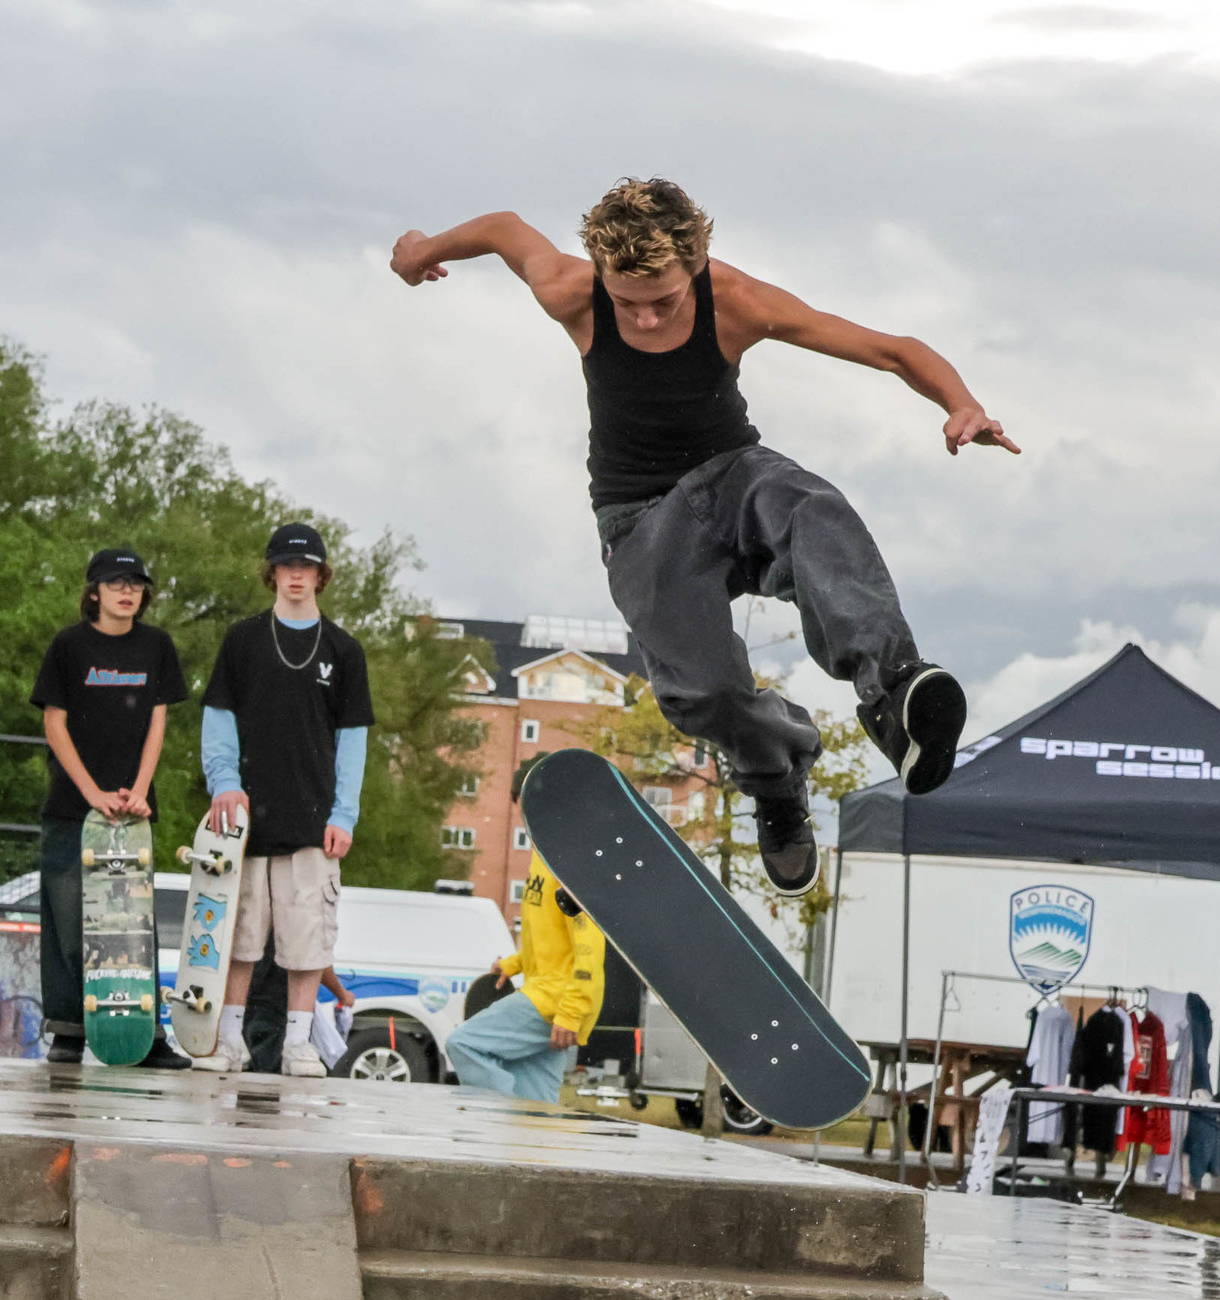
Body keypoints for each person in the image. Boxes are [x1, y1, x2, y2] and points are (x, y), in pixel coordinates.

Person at [390, 178, 1019, 895]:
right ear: (601, 277)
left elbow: (892, 350)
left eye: (665, 301)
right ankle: (776, 776)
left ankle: (894, 691)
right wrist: (421, 250)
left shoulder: (738, 300)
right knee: (701, 695)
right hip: (637, 520)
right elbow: (504, 228)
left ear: (695, 266)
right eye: (629, 304)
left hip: (734, 480)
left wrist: (961, 403)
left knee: (811, 508)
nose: (649, 321)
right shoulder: (570, 290)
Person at [192, 523, 373, 1076]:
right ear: (272, 572)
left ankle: (299, 1044)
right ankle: (227, 1041)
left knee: (306, 940)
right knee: (239, 937)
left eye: (307, 567)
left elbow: (354, 739)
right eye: (287, 566)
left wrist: (345, 813)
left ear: (321, 575)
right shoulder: (243, 639)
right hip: (245, 820)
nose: (296, 576)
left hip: (314, 820)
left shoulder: (344, 650)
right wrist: (223, 782)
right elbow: (218, 719)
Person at [29, 548, 189, 1068]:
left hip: (133, 812)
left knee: (132, 925)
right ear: (94, 590)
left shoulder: (157, 646)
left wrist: (140, 789)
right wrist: (91, 791)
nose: (128, 592)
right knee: (69, 921)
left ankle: (145, 1038)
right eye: (116, 583)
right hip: (73, 810)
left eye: (137, 585)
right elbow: (55, 723)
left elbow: (157, 723)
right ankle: (70, 1032)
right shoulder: (69, 646)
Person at [447, 850, 604, 1105]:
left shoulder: (572, 862)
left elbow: (590, 949)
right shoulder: (541, 859)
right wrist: (513, 964)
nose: (521, 810)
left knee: (464, 1044)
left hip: (555, 999)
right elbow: (547, 941)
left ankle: (494, 1125)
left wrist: (572, 1012)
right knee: (534, 1108)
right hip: (549, 995)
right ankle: (530, 1139)